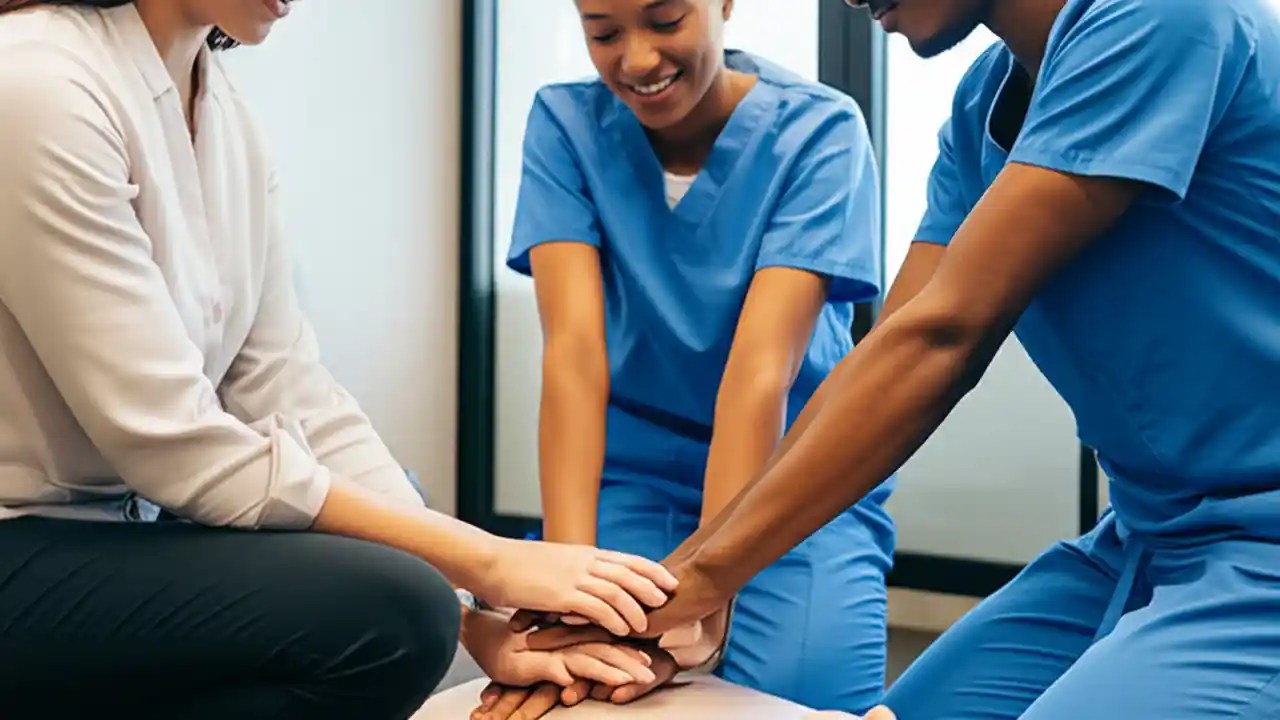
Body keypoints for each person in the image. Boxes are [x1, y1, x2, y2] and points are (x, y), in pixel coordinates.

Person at [524, 0, 1280, 718]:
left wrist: (701, 579)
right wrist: (688, 582)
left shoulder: (1164, 16)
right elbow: (891, 344)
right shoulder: (982, 104)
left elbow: (944, 338)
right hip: (1146, 537)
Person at [0, 1, 680, 717]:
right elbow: (172, 443)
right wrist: (490, 561)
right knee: (397, 604)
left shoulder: (225, 114)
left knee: (402, 562)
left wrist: (478, 619)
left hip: (116, 531)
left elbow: (288, 390)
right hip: (21, 543)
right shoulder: (36, 83)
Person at [478, 0, 896, 716]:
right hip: (633, 477)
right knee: (587, 683)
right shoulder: (565, 124)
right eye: (603, 32)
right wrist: (571, 580)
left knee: (797, 699)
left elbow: (760, 373)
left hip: (792, 484)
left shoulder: (819, 132)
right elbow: (574, 357)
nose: (636, 60)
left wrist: (714, 584)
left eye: (667, 20)